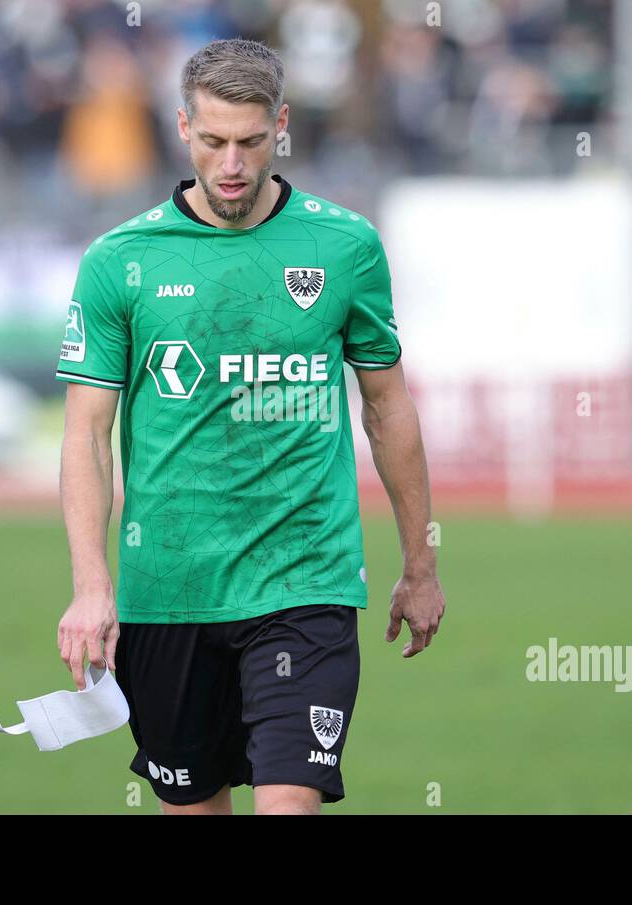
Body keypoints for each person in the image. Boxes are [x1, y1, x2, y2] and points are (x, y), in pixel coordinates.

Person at [55, 38, 444, 815]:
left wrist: (420, 561)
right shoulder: (118, 261)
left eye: (250, 142)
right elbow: (87, 435)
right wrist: (92, 586)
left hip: (306, 582)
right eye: (213, 141)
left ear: (282, 126)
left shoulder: (344, 248)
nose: (231, 163)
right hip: (168, 593)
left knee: (287, 804)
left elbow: (387, 405)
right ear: (182, 128)